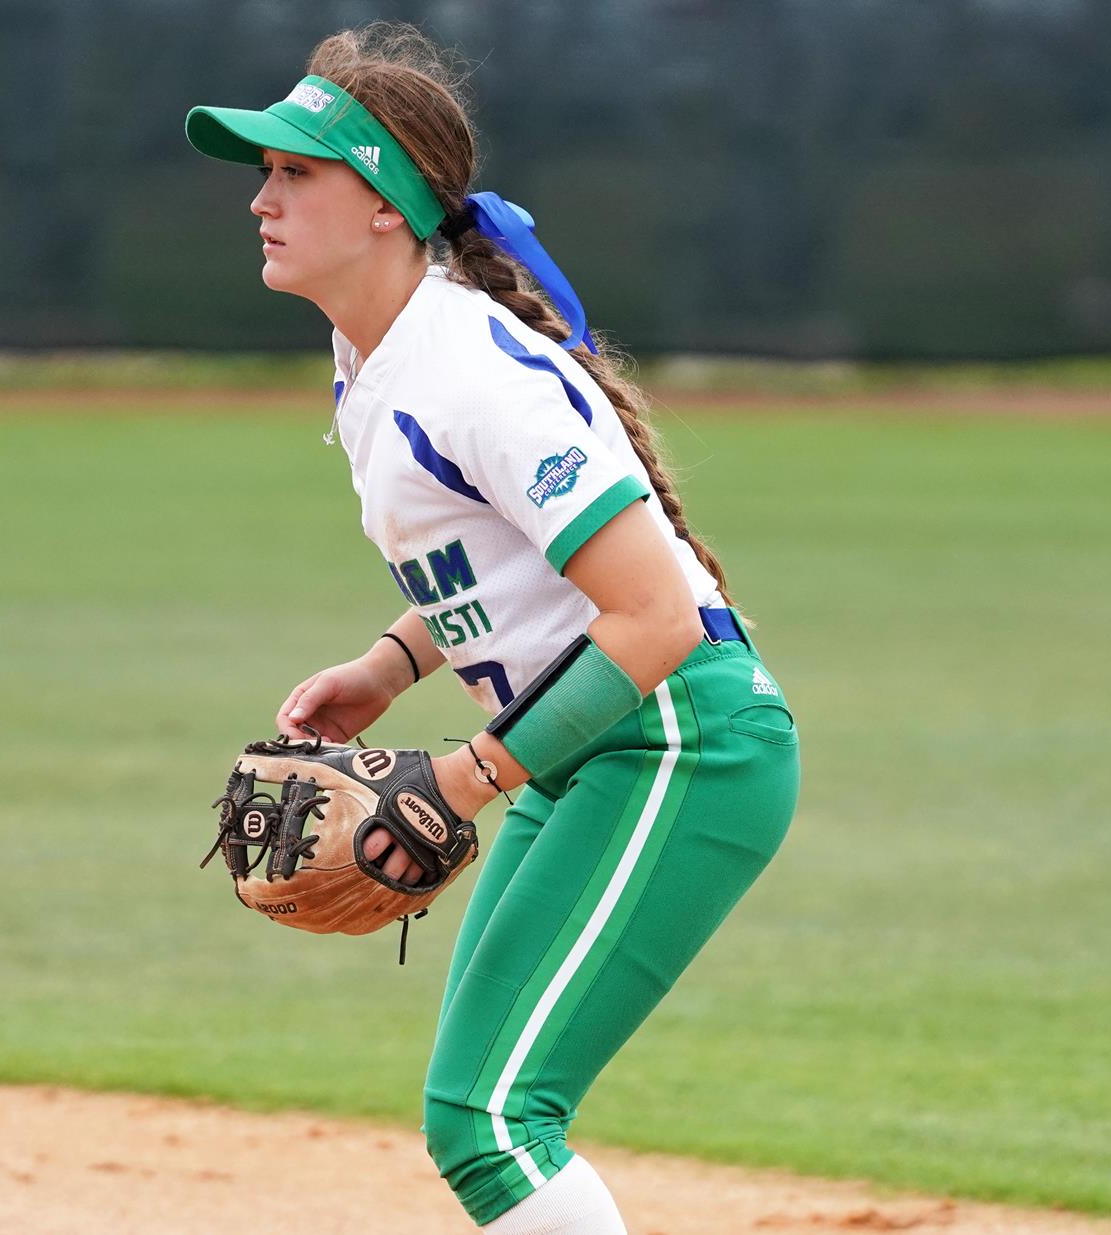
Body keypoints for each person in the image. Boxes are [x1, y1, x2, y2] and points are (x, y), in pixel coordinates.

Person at [184, 23, 800, 1234]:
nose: (261, 198)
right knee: (469, 1107)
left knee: (491, 1119)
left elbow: (656, 613)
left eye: (295, 171)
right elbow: (500, 558)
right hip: (582, 751)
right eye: (262, 172)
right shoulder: (374, 357)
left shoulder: (473, 373)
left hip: (679, 746)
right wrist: (389, 662)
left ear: (383, 202)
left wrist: (469, 775)